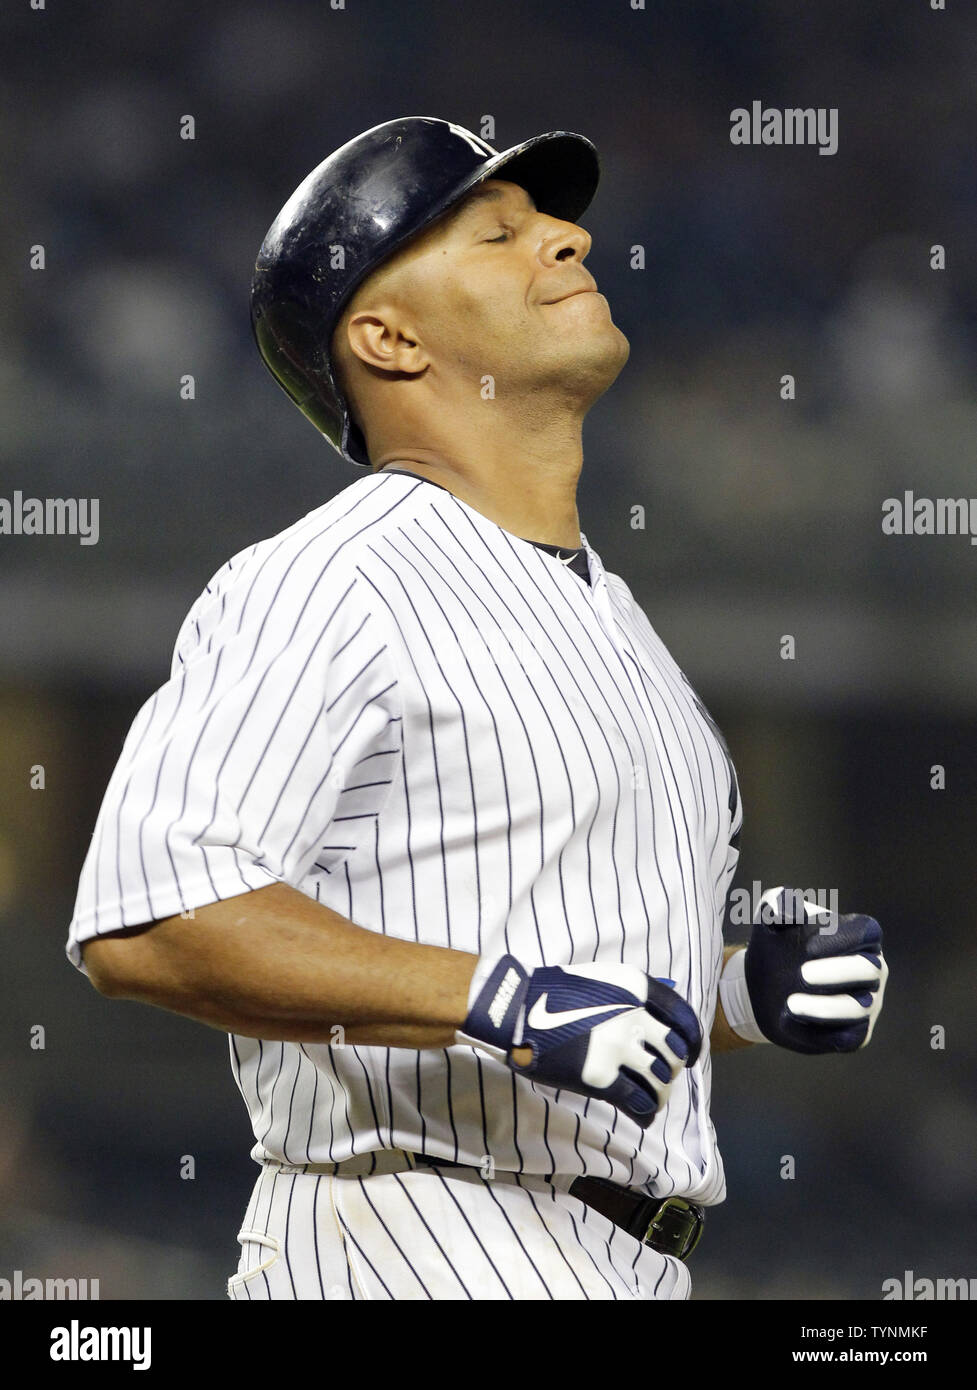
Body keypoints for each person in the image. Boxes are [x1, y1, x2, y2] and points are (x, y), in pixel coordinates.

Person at [67, 117, 888, 1301]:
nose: (566, 238)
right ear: (388, 338)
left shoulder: (615, 617)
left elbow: (564, 979)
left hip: (617, 1254)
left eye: (547, 220)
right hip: (407, 1235)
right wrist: (494, 1000)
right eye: (498, 232)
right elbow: (149, 917)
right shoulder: (334, 575)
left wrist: (728, 997)